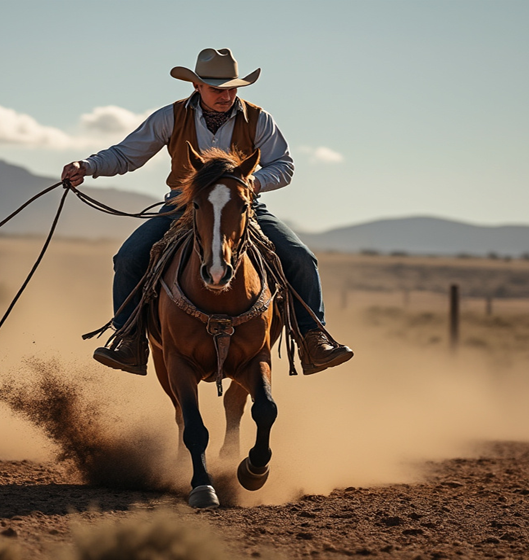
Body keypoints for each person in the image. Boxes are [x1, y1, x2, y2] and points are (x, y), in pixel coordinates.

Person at [62, 48, 352, 376]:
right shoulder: (170, 116)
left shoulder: (259, 119)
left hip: (243, 206)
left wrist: (251, 183)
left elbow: (284, 166)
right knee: (128, 258)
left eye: (232, 88)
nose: (226, 96)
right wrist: (86, 166)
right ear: (197, 86)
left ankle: (313, 340)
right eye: (217, 89)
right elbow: (127, 154)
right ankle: (129, 340)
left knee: (300, 257)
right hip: (181, 206)